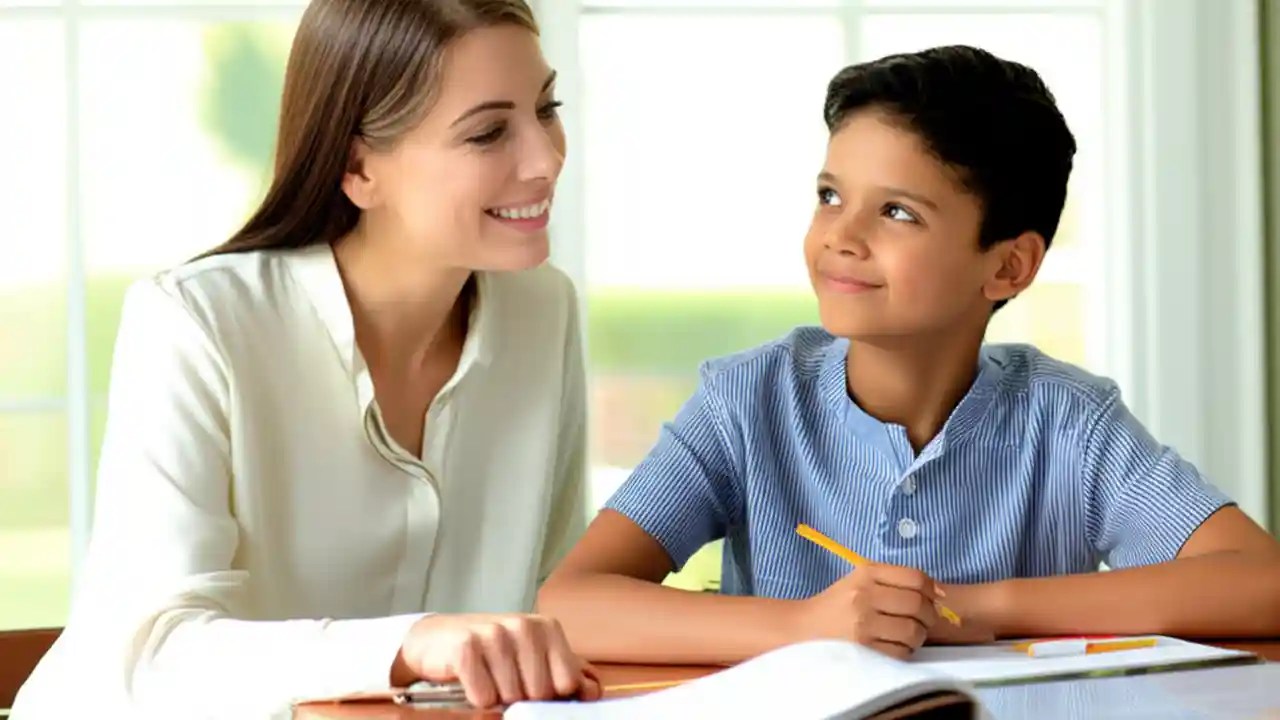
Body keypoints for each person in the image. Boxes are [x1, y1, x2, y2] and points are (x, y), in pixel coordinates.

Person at [536, 45, 1280, 666]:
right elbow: (571, 603)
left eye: (897, 211)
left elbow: (1263, 582)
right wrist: (801, 628)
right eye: (831, 195)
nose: (842, 235)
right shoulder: (746, 403)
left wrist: (978, 607)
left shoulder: (1071, 424)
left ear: (1009, 267)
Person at [13, 1, 599, 716]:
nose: (546, 158)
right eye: (487, 133)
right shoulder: (198, 323)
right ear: (359, 167)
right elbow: (150, 652)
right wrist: (410, 643)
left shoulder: (543, 312)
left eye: (547, 108)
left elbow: (553, 597)